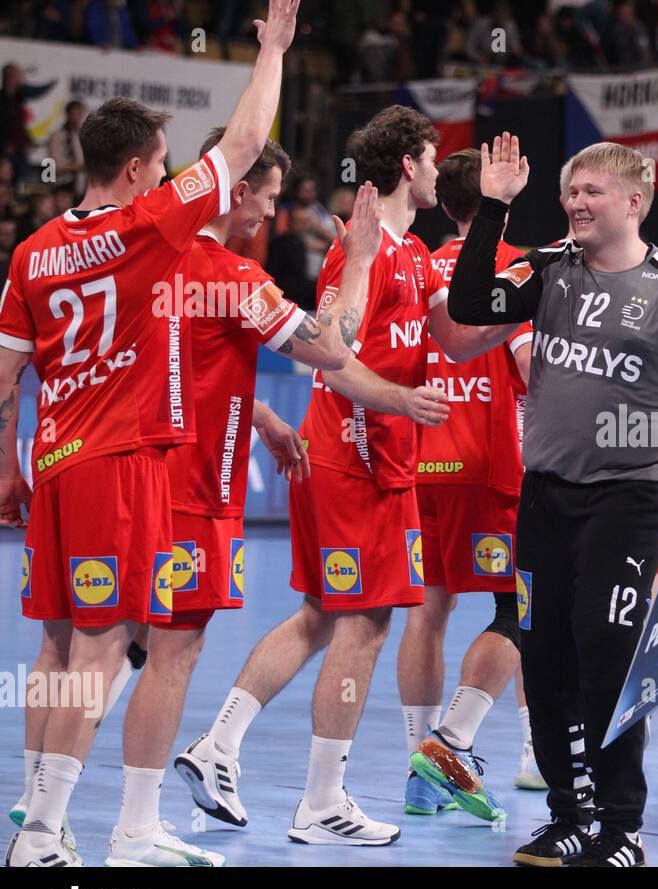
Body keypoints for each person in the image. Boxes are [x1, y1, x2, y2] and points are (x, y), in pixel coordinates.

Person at [0, 0, 302, 869]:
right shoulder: (144, 229)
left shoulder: (29, 252)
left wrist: (10, 470)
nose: (169, 178)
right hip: (118, 461)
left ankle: (33, 816)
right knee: (102, 644)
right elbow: (242, 146)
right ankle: (45, 838)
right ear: (136, 172)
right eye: (162, 166)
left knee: (58, 644)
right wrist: (271, 51)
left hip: (52, 462)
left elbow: (4, 379)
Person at [448, 134, 658, 867]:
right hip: (545, 495)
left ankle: (621, 828)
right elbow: (471, 302)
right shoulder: (548, 271)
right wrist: (495, 209)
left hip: (628, 497)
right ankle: (567, 815)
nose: (574, 203)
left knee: (606, 650)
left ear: (633, 202)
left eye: (590, 192)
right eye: (569, 192)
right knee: (543, 654)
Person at [174, 106, 484, 848]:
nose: (442, 170)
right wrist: (398, 399)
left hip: (369, 457)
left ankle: (219, 746)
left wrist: (537, 296)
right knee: (365, 624)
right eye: (435, 157)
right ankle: (320, 801)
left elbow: (460, 341)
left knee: (320, 615)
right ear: (409, 166)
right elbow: (333, 353)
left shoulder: (409, 252)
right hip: (355, 454)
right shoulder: (363, 245)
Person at [99, 136, 377, 867]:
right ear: (238, 190)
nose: (273, 208)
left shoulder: (150, 253)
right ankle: (133, 832)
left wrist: (261, 416)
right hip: (194, 491)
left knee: (106, 642)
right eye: (269, 193)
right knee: (171, 655)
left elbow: (180, 362)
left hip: (133, 475)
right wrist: (365, 263)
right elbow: (329, 347)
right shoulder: (231, 274)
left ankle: (45, 799)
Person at [399, 147, 536, 820]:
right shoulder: (512, 267)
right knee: (521, 611)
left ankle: (417, 767)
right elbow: (533, 367)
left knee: (429, 610)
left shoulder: (417, 267)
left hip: (419, 462)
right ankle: (464, 750)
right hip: (487, 471)